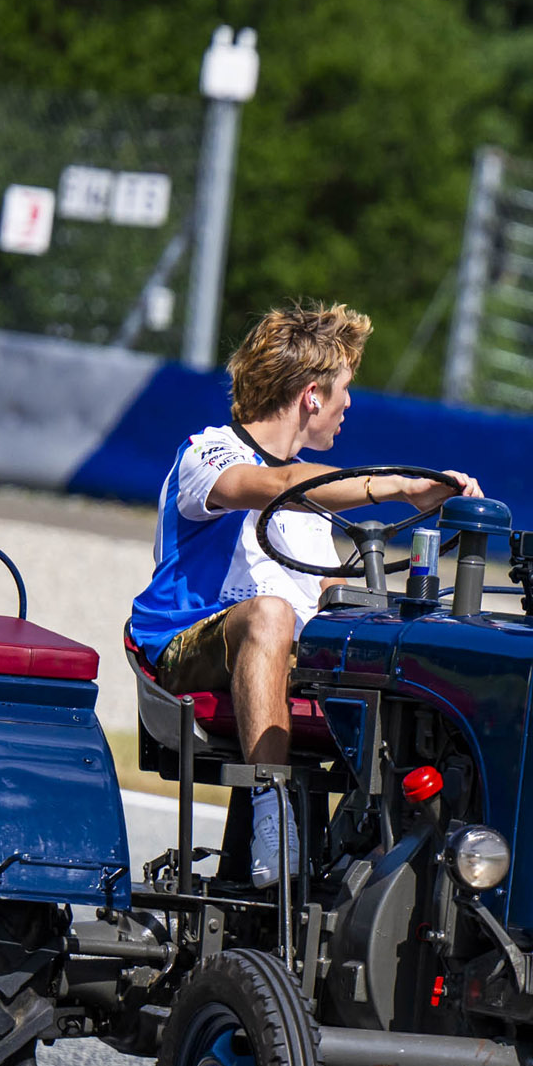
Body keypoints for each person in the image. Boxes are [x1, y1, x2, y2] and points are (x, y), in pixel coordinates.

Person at [126, 302, 476, 883]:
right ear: (312, 395)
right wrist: (400, 486)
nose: (349, 405)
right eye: (344, 389)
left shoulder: (312, 499)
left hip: (290, 653)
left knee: (413, 644)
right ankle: (272, 807)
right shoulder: (209, 452)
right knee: (270, 614)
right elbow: (278, 485)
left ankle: (403, 844)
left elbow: (331, 595)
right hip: (190, 648)